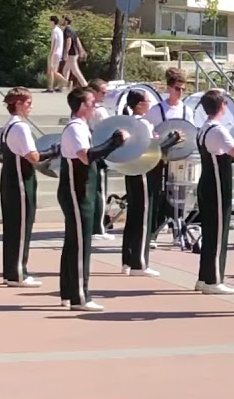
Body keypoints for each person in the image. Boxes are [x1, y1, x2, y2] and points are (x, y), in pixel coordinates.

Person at [57, 87, 127, 311]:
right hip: (77, 191)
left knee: (74, 242)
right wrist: (114, 142)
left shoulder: (81, 128)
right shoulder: (76, 128)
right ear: (81, 107)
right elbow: (86, 157)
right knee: (80, 245)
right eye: (91, 103)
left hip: (80, 190)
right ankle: (79, 296)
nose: (95, 106)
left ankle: (69, 292)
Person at [195, 89, 234, 295]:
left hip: (208, 183)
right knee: (219, 232)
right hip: (218, 186)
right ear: (222, 106)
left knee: (210, 232)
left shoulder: (204, 128)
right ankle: (213, 280)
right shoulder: (218, 130)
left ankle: (204, 277)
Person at [0, 88, 55, 287]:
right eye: (28, 103)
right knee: (22, 226)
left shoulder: (9, 125)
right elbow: (32, 156)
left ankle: (11, 271)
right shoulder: (21, 127)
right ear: (19, 104)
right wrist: (51, 152)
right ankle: (18, 274)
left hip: (11, 179)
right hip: (21, 180)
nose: (31, 107)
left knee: (14, 227)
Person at [121, 89, 164, 276]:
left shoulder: (126, 122)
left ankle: (127, 261)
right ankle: (140, 263)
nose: (150, 104)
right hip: (144, 170)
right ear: (139, 104)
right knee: (144, 215)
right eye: (147, 101)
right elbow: (152, 146)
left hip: (130, 170)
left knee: (133, 214)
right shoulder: (143, 123)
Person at [149, 68, 194, 238]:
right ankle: (155, 228)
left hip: (179, 158)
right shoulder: (157, 110)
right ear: (169, 88)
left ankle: (177, 228)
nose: (180, 92)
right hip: (159, 157)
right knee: (158, 192)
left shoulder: (186, 110)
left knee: (178, 194)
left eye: (183, 89)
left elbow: (190, 133)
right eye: (177, 88)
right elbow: (150, 132)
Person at [87, 78, 114, 241]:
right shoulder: (99, 111)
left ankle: (92, 225)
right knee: (100, 191)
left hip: (88, 150)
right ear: (95, 92)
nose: (105, 95)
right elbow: (107, 129)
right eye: (103, 92)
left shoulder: (84, 108)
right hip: (99, 151)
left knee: (93, 189)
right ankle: (98, 227)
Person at [60, 16, 88, 88]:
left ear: (66, 21)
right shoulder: (72, 30)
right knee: (66, 69)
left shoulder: (67, 30)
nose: (61, 21)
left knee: (75, 70)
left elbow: (69, 41)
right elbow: (77, 39)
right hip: (74, 53)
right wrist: (81, 50)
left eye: (62, 20)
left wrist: (66, 52)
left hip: (72, 54)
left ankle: (85, 85)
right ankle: (64, 85)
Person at [47, 16, 64, 93]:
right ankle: (53, 86)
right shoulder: (60, 30)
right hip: (59, 53)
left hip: (55, 52)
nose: (49, 23)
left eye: (50, 21)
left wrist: (51, 54)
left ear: (53, 22)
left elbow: (54, 43)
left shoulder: (54, 31)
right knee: (54, 70)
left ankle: (51, 87)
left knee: (51, 70)